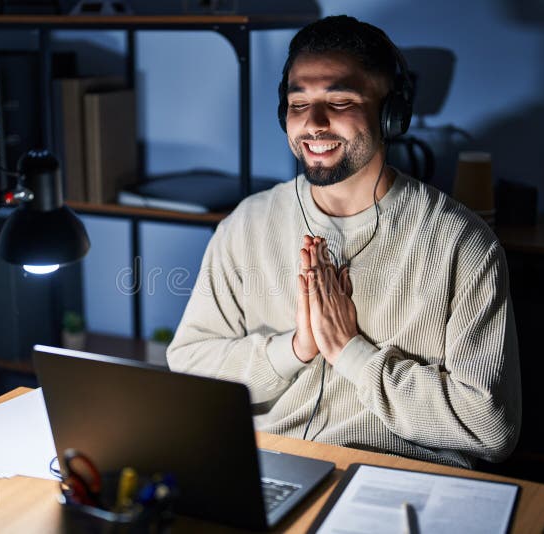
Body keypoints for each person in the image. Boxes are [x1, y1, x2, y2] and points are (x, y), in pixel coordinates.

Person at [167, 15, 521, 469]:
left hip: (396, 477)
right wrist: (295, 349)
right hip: (269, 466)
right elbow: (189, 363)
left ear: (391, 115)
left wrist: (350, 352)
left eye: (340, 100)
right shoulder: (245, 224)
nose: (314, 123)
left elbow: (491, 427)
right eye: (299, 104)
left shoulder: (463, 245)